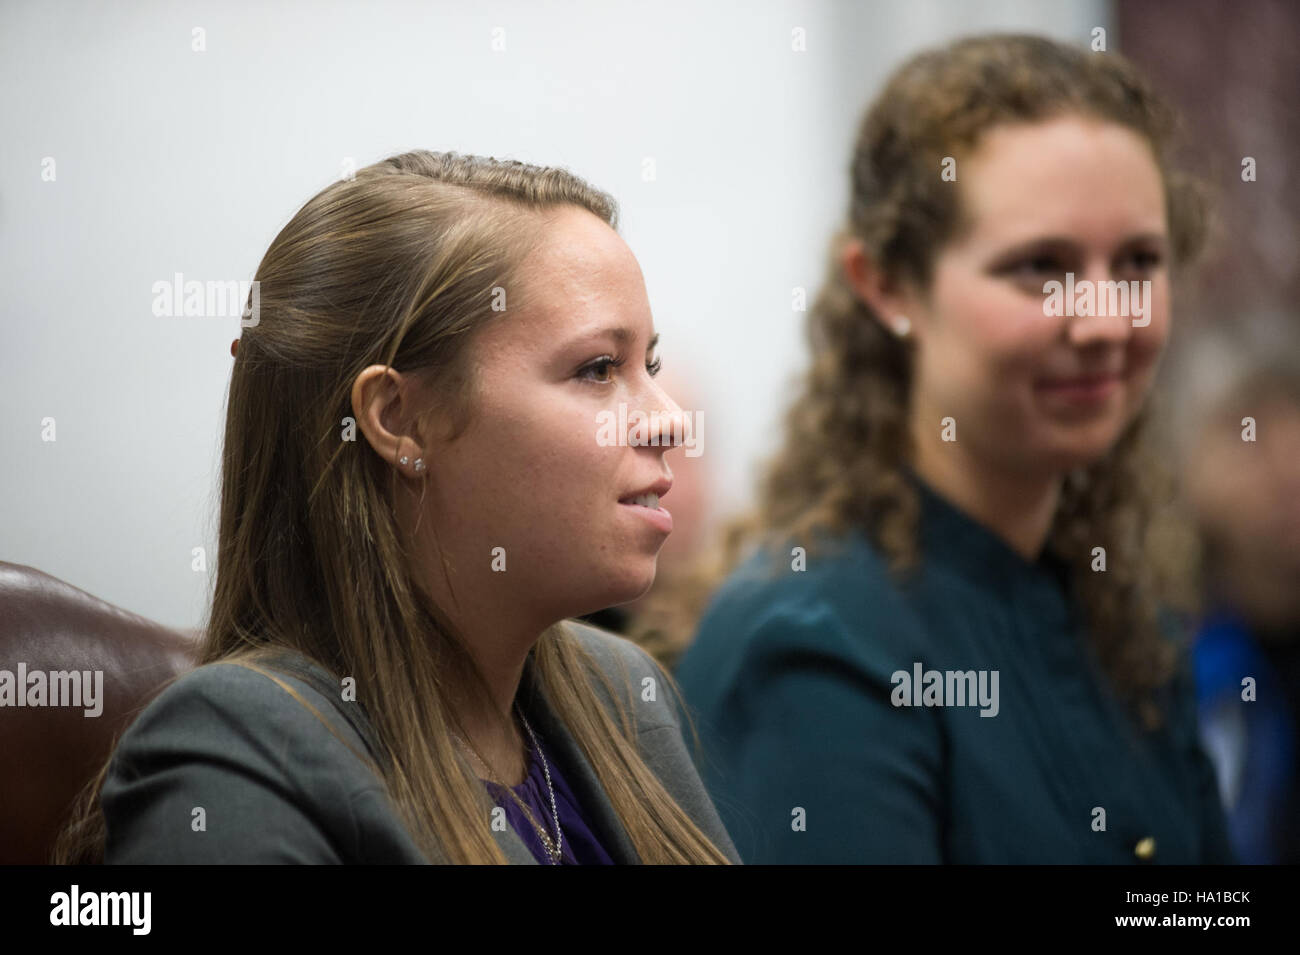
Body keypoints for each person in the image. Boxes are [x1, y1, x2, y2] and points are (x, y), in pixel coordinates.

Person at [54, 150, 739, 864]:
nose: (669, 422)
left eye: (648, 366)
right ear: (398, 420)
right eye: (598, 368)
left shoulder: (623, 694)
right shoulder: (237, 750)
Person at [670, 34, 1234, 863]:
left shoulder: (1118, 615)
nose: (1108, 321)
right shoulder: (812, 649)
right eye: (1041, 267)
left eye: (1139, 262)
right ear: (887, 286)